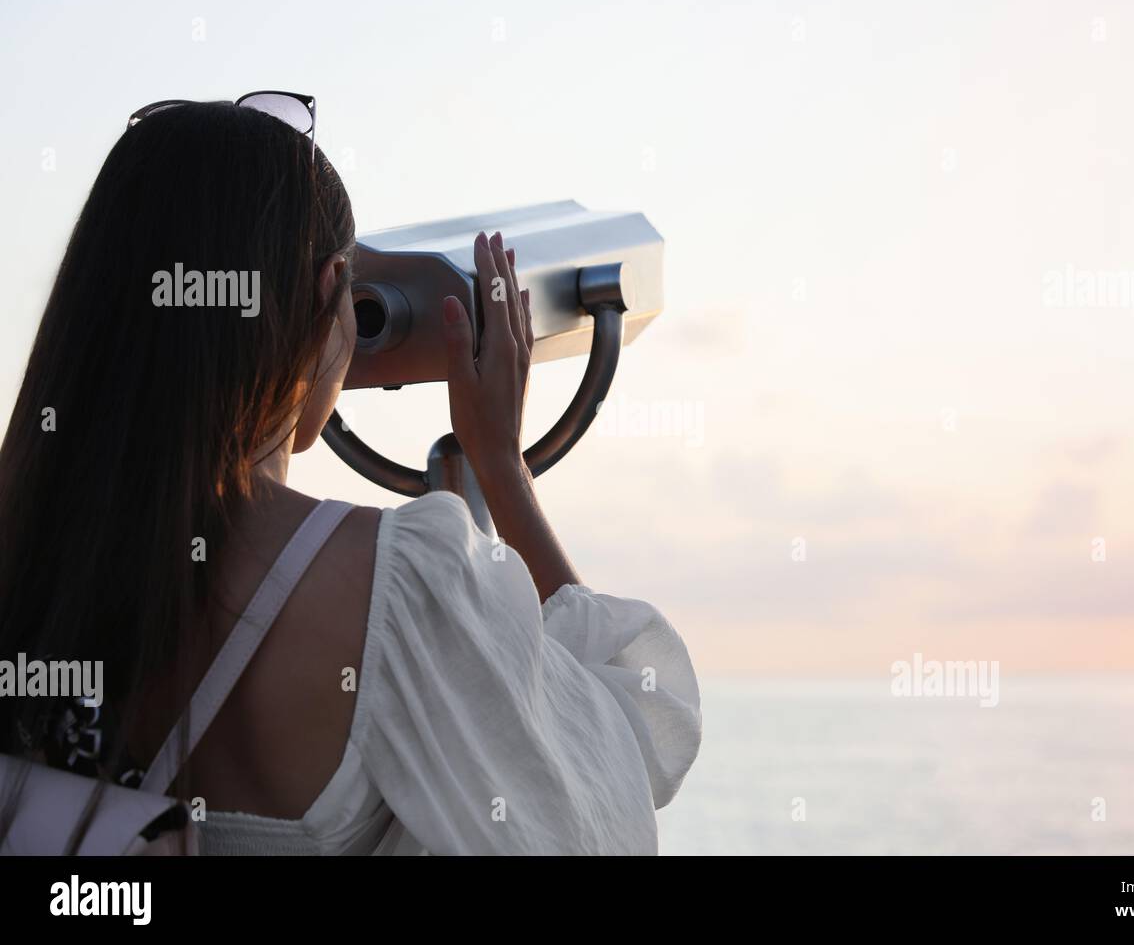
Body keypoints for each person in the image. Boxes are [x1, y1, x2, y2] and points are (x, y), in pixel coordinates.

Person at [0, 99, 701, 855]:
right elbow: (612, 789)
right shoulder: (394, 586)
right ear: (331, 286)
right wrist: (502, 468)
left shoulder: (27, 550)